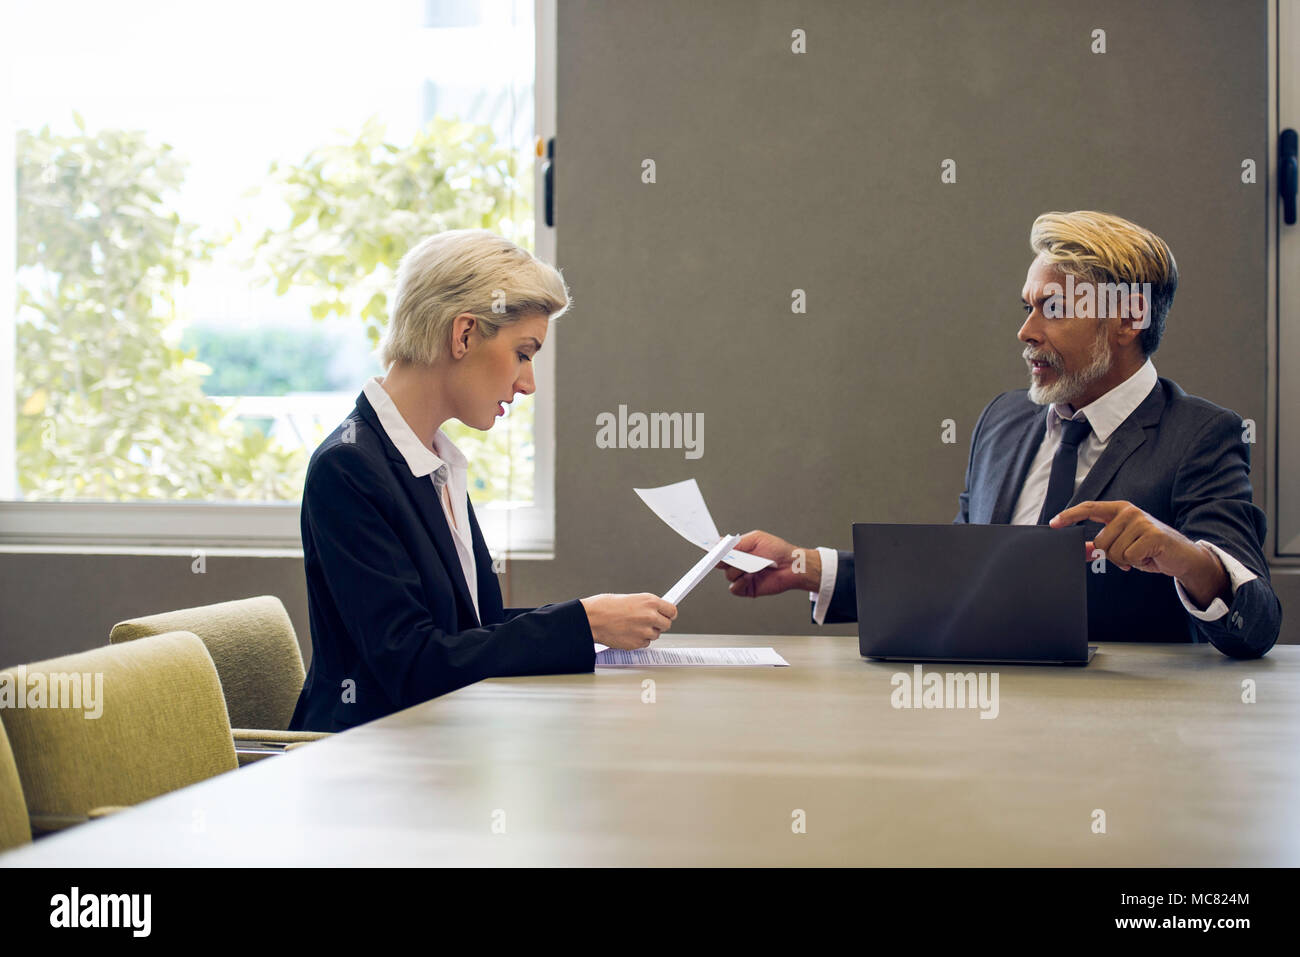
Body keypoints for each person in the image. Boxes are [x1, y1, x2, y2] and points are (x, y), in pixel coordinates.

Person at [722, 211, 1281, 659]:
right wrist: (805, 566)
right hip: (989, 726)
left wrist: (1186, 558)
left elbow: (1256, 625)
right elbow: (958, 578)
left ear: (1128, 319)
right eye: (1027, 307)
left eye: (1053, 308)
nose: (1025, 331)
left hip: (1126, 745)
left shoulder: (1202, 436)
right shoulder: (1004, 421)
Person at [289, 230, 676, 732]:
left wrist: (593, 621)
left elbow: (471, 629)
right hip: (367, 765)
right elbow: (412, 664)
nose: (528, 382)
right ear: (464, 334)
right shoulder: (348, 469)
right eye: (524, 352)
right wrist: (582, 622)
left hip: (437, 748)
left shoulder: (433, 461)